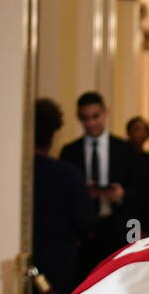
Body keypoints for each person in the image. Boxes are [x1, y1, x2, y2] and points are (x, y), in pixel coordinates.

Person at [32, 98, 96, 294]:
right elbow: (87, 224)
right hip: (59, 270)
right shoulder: (67, 174)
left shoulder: (12, 172)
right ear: (55, 133)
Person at [59, 91, 140, 277]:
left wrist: (121, 194)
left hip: (118, 229)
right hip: (83, 234)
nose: (91, 123)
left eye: (95, 117)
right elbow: (63, 196)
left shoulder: (124, 149)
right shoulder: (70, 151)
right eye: (85, 118)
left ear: (105, 113)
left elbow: (141, 191)